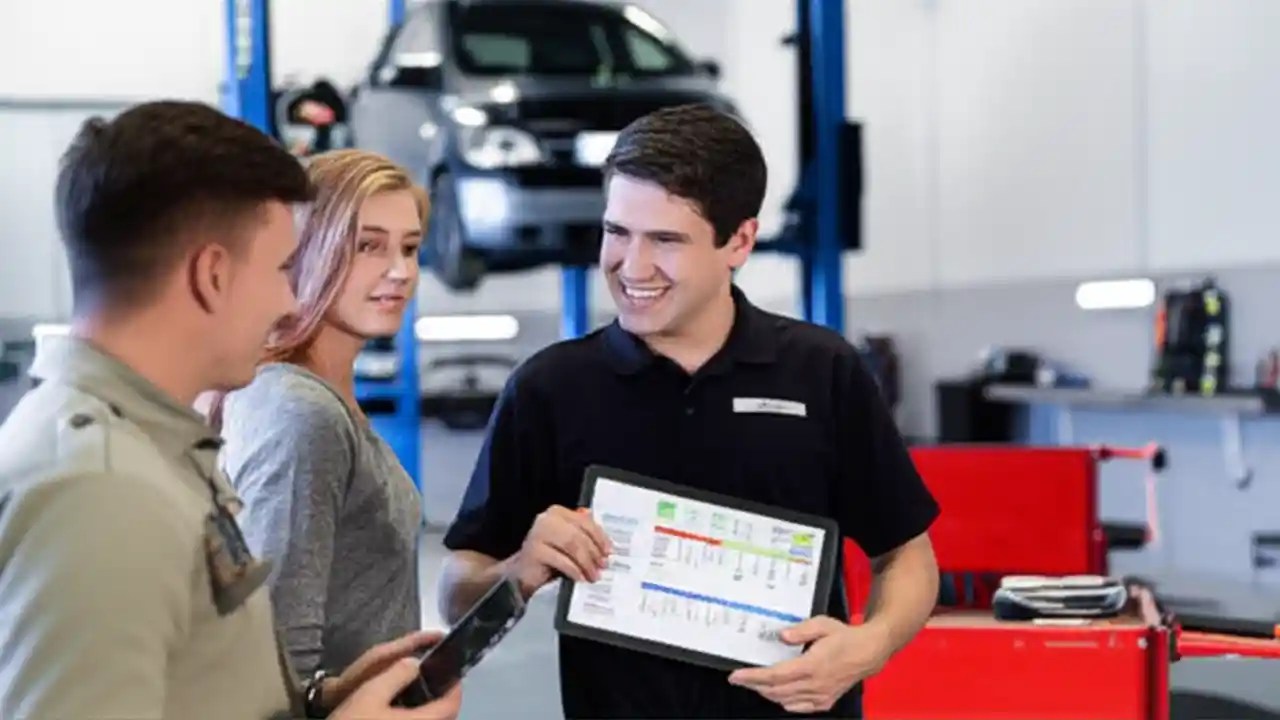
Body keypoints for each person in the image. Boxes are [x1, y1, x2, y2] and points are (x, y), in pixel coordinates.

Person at [438, 103, 941, 719]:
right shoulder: (551, 388)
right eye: (617, 232)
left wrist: (870, 644)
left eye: (666, 240)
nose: (632, 266)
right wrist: (518, 570)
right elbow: (455, 590)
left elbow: (906, 555)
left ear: (740, 241)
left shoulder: (821, 372)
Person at [0, 100, 459, 720]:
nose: (286, 299)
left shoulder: (152, 449)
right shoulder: (96, 488)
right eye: (278, 269)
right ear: (212, 275)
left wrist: (327, 699)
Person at [208, 149, 427, 686]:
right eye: (368, 246)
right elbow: (277, 653)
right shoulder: (302, 414)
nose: (400, 272)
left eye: (411, 248)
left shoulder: (324, 396)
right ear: (306, 251)